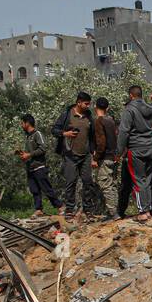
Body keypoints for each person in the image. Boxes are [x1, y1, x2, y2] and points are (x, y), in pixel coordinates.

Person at [118, 85, 152, 220]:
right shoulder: (149, 108)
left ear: (131, 96)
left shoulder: (129, 109)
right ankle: (148, 210)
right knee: (147, 180)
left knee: (138, 180)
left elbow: (123, 131)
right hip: (150, 148)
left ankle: (142, 212)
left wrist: (119, 151)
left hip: (136, 149)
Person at [52, 91, 98, 221]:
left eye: (89, 104)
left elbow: (92, 136)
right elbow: (54, 130)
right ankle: (70, 210)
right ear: (78, 102)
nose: (88, 106)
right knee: (70, 182)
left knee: (88, 182)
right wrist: (65, 133)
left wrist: (93, 152)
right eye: (86, 103)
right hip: (70, 155)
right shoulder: (67, 114)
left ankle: (88, 209)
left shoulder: (88, 116)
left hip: (85, 156)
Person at [18, 114, 63, 215]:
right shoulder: (27, 136)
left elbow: (43, 148)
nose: (21, 125)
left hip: (39, 167)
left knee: (47, 189)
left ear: (27, 123)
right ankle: (39, 209)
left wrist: (29, 155)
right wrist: (23, 155)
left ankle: (60, 206)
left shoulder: (37, 134)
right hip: (30, 168)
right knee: (34, 190)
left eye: (22, 123)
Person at [92, 97, 119, 220]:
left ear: (95, 107)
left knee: (105, 184)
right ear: (107, 108)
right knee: (112, 184)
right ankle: (114, 211)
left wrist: (95, 158)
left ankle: (113, 213)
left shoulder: (99, 121)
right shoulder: (111, 121)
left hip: (105, 157)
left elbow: (101, 143)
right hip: (113, 157)